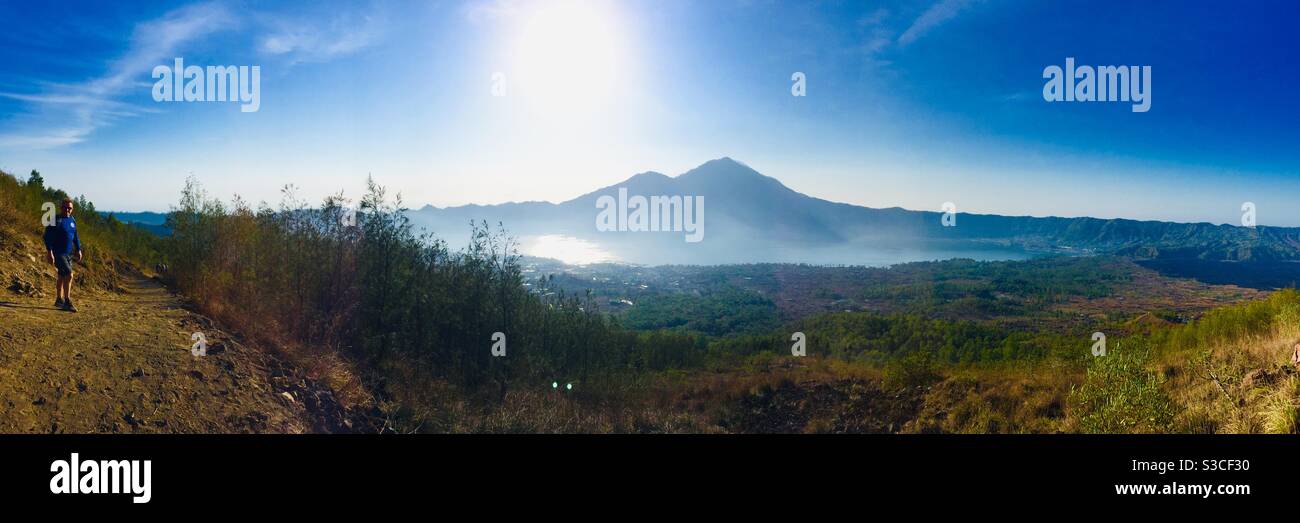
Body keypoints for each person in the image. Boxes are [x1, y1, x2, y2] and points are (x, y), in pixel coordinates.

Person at [42, 197, 82, 312]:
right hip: (58, 253)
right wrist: (49, 252)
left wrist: (78, 249)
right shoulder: (55, 221)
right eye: (65, 207)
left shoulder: (72, 220)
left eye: (70, 208)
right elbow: (47, 237)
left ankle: (59, 299)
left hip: (68, 254)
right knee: (69, 275)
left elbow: (75, 236)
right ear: (61, 208)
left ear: (72, 209)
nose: (67, 210)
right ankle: (67, 302)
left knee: (61, 276)